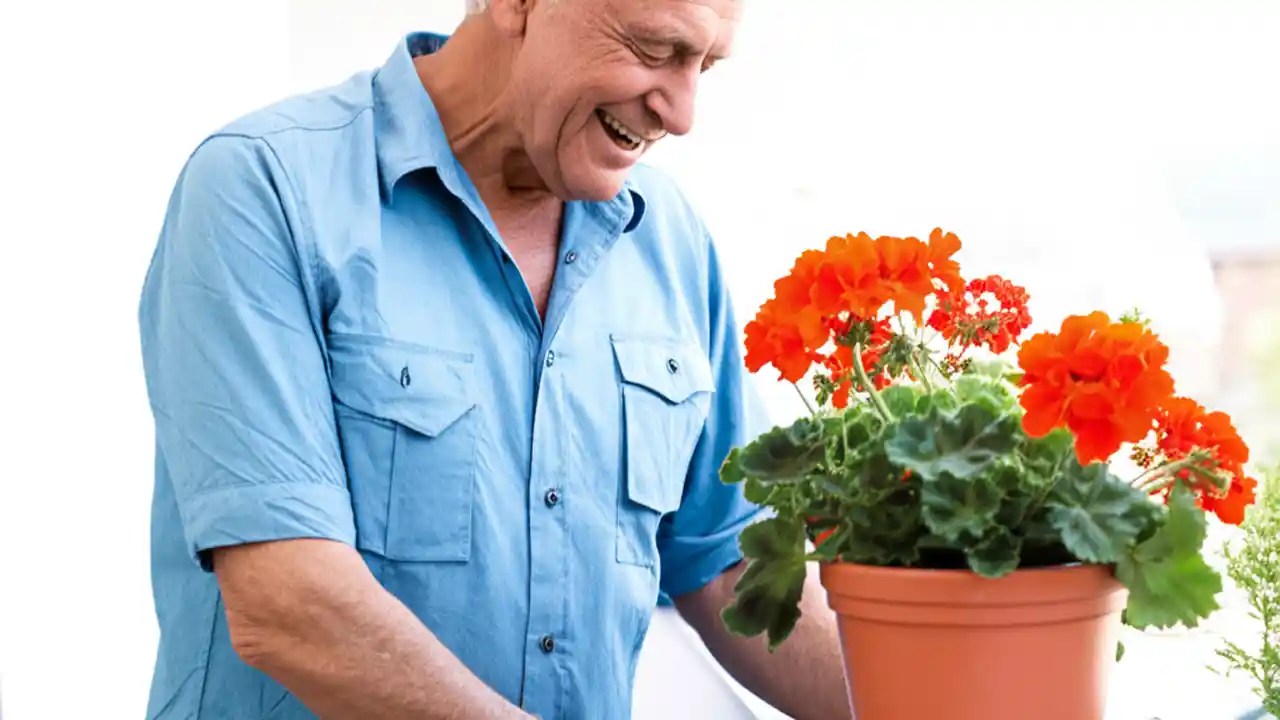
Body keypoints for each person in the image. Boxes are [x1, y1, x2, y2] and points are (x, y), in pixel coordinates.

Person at [137, 0, 851, 718]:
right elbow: (289, 604)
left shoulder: (668, 241)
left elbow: (732, 568)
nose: (683, 110)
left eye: (706, 64)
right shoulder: (263, 190)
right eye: (654, 48)